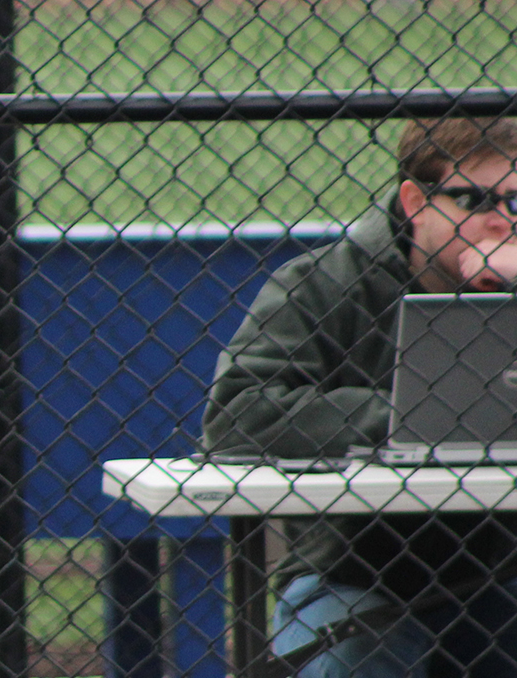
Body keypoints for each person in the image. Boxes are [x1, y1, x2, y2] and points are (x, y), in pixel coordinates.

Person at [204, 117, 517, 678]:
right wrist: (410, 416)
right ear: (416, 202)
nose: (499, 221)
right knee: (361, 659)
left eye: (516, 201)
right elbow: (237, 412)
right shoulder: (326, 283)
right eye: (472, 199)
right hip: (353, 570)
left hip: (503, 567)